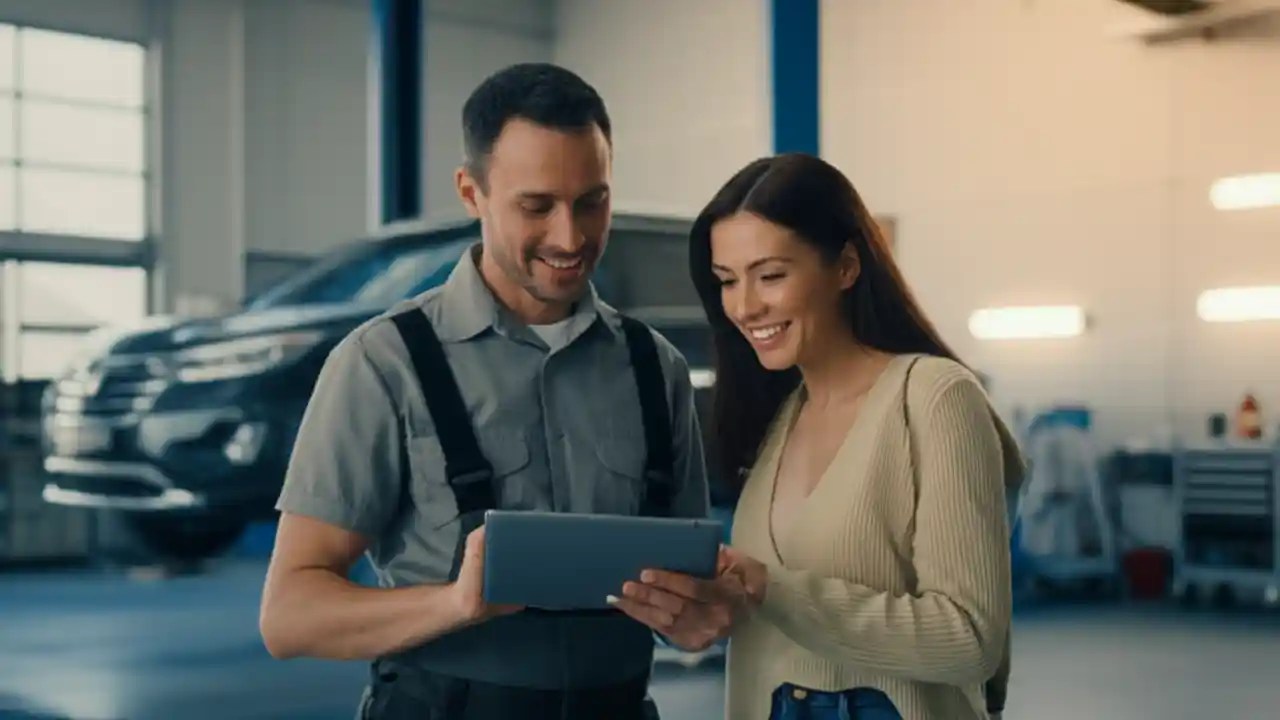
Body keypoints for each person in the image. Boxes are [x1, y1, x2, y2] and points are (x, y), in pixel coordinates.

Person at [258, 62, 709, 720]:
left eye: (592, 201)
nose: (571, 236)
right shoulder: (383, 364)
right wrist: (453, 603)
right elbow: (290, 616)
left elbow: (687, 587)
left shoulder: (654, 368)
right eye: (537, 206)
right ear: (472, 193)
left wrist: (705, 609)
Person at [609, 153, 1023, 720]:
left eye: (771, 275)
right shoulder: (778, 420)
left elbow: (971, 639)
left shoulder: (932, 397)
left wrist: (769, 588)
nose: (745, 306)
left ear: (846, 266)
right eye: (727, 281)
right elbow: (770, 620)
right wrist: (707, 609)